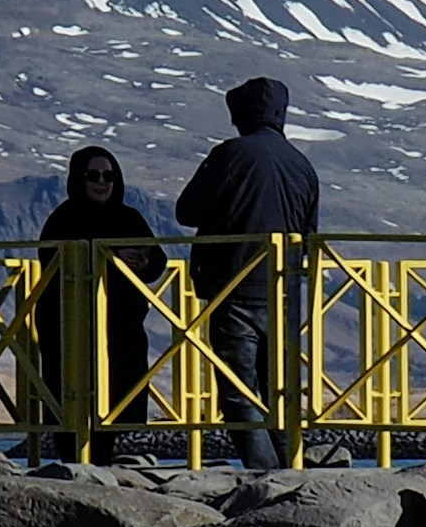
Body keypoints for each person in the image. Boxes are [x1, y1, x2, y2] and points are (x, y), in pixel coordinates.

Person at [174, 76, 320, 469]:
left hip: (232, 289)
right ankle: (291, 472)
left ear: (239, 114)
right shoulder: (302, 166)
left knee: (239, 392)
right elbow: (310, 236)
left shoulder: (229, 155)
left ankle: (265, 474)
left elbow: (186, 212)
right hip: (285, 295)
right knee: (282, 392)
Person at [28, 144, 161, 460]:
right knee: (71, 400)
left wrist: (143, 262)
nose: (102, 183)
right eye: (93, 176)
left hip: (119, 330)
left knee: (115, 399)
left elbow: (157, 260)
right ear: (79, 179)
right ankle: (74, 463)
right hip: (71, 329)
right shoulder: (63, 219)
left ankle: (101, 459)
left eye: (109, 176)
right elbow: (54, 260)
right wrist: (111, 258)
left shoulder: (129, 218)